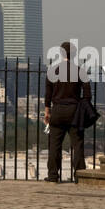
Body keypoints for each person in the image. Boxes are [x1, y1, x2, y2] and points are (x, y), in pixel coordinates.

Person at [43, 41, 91, 182]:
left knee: (54, 145)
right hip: (74, 110)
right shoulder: (79, 70)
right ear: (74, 54)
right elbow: (88, 95)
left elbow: (48, 95)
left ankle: (53, 175)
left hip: (57, 110)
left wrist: (47, 111)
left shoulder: (53, 70)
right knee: (77, 144)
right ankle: (79, 175)